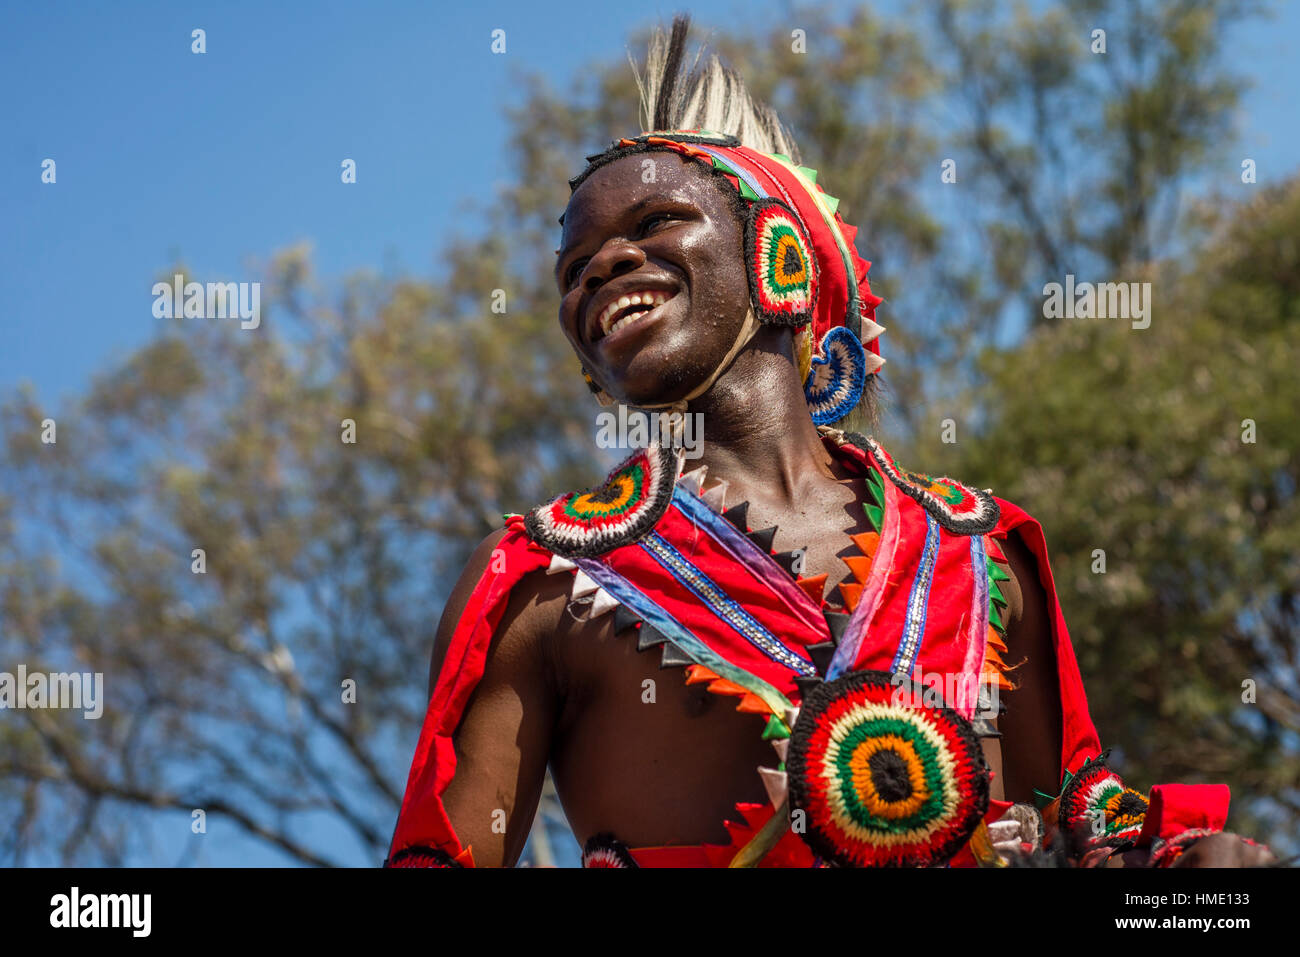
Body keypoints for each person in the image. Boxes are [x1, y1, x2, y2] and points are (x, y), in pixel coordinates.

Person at [385, 17, 1271, 868]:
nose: (605, 267)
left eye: (656, 224)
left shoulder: (976, 550)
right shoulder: (543, 585)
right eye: (575, 269)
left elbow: (1080, 820)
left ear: (780, 255)